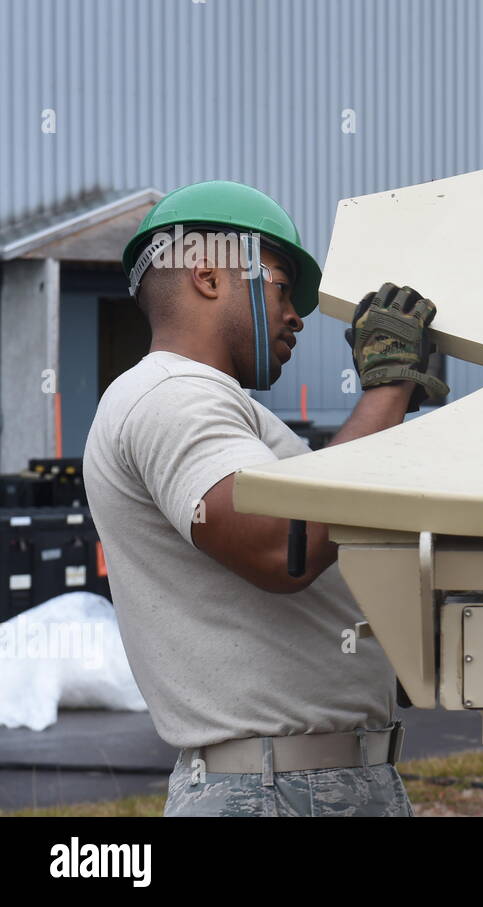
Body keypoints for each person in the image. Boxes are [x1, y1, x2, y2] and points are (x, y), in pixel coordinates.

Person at [83, 180, 447, 816]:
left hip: (299, 782)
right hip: (273, 791)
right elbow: (284, 545)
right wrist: (386, 393)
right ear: (207, 274)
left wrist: (394, 412)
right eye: (282, 287)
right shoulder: (172, 395)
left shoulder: (221, 410)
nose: (296, 315)